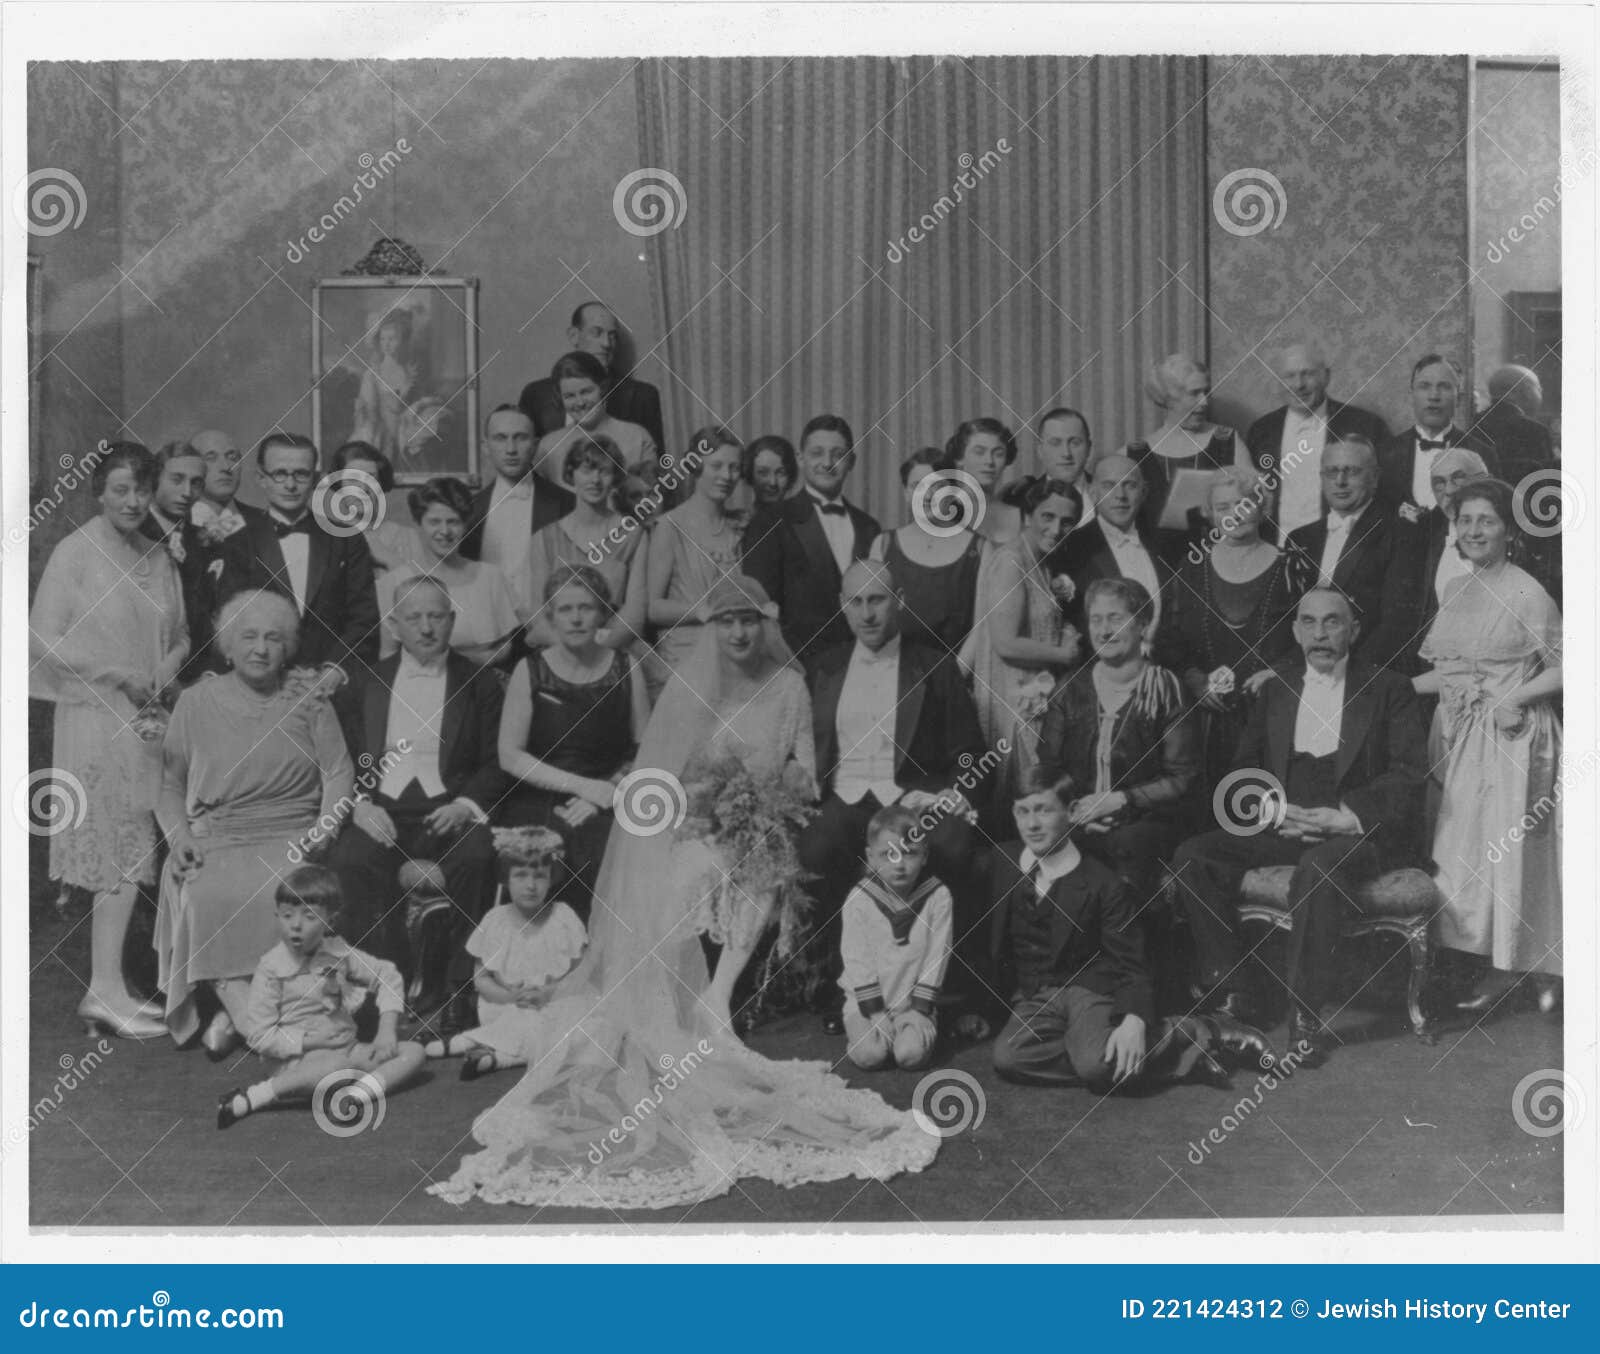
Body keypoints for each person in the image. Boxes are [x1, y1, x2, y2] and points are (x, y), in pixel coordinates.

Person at [432, 573, 940, 1212]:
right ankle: (680, 1001)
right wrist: (710, 808)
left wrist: (779, 792)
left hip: (763, 817)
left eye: (749, 620)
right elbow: (667, 777)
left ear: (764, 625)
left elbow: (807, 766)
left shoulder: (788, 684)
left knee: (767, 861)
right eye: (726, 622)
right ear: (711, 630)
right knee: (693, 867)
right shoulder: (693, 687)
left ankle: (718, 997)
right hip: (697, 819)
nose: (738, 632)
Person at [1172, 586, 1429, 1066]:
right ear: (1295, 631)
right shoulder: (1277, 688)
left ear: (1353, 630)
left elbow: (1409, 774)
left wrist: (1347, 816)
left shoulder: (1389, 688)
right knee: (1195, 856)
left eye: (1332, 622)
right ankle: (1236, 994)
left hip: (1355, 834)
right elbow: (1240, 771)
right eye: (1308, 623)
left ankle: (1306, 1016)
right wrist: (1273, 811)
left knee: (1319, 867)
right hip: (1282, 824)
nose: (1320, 634)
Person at [29, 441, 189, 1038]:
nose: (131, 501)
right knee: (113, 845)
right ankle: (103, 989)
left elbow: (180, 631)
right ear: (99, 491)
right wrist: (116, 673)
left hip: (147, 716)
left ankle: (111, 987)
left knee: (136, 842)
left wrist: (167, 666)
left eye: (141, 490)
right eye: (120, 489)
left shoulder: (157, 555)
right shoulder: (76, 553)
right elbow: (41, 638)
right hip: (96, 714)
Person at [155, 590, 355, 1052]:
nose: (261, 649)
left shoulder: (310, 695)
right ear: (226, 645)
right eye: (247, 637)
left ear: (288, 646)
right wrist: (178, 837)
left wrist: (323, 829)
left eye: (273, 638)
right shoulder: (195, 701)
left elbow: (339, 770)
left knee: (290, 894)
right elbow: (168, 784)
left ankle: (237, 1017)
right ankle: (260, 1028)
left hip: (291, 835)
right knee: (205, 891)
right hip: (216, 837)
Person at [799, 560, 989, 1035]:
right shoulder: (823, 667)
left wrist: (950, 792)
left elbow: (971, 753)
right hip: (840, 797)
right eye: (855, 602)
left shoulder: (934, 665)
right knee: (816, 850)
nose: (867, 613)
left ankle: (937, 992)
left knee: (951, 846)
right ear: (843, 606)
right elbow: (800, 748)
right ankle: (838, 990)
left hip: (908, 799)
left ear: (899, 600)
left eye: (877, 599)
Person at [1413, 478, 1562, 1013]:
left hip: (1511, 737)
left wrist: (1516, 696)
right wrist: (1382, 691)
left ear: (1509, 531)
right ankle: (1464, 962)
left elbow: (1569, 665)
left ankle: (1510, 968)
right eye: (1466, 521)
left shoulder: (1527, 591)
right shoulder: (1456, 589)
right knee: (1458, 854)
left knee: (1502, 854)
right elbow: (1449, 671)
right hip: (1457, 736)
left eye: (1487, 521)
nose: (1474, 530)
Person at [989, 766, 1235, 1090]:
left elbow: (1132, 962)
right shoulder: (1003, 861)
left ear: (1072, 811)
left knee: (1095, 1068)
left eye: (1044, 810)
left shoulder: (1103, 881)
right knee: (1009, 1058)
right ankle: (1118, 1052)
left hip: (1091, 989)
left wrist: (1134, 1019)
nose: (1032, 824)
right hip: (1037, 993)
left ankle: (1193, 1031)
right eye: (1023, 812)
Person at [332, 575, 504, 1019]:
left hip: (448, 809)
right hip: (383, 811)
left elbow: (496, 762)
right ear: (394, 625)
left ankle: (457, 986)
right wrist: (360, 806)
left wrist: (464, 806)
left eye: (436, 616)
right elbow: (343, 760)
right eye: (414, 617)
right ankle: (388, 982)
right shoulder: (364, 682)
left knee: (477, 858)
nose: (426, 627)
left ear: (451, 620)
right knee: (350, 860)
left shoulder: (481, 683)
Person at [217, 865, 425, 1129]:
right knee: (333, 1067)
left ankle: (355, 1096)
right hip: (297, 1061)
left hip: (348, 1050)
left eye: (309, 917)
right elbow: (260, 1035)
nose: (295, 925)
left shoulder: (338, 952)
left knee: (412, 1052)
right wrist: (309, 1041)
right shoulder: (271, 968)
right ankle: (256, 1096)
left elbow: (387, 974)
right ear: (277, 916)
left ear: (330, 921)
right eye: (287, 915)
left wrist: (386, 1030)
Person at [1036, 578, 1197, 916]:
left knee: (1124, 846)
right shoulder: (1070, 689)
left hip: (1146, 822)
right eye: (1096, 619)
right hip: (1078, 817)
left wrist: (1121, 801)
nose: (1104, 630)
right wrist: (1076, 814)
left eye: (1115, 618)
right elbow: (1047, 769)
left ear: (1141, 624)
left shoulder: (1166, 689)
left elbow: (1183, 780)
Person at [498, 564, 648, 919]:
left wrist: (608, 791)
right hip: (540, 797)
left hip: (609, 796)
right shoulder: (529, 669)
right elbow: (509, 755)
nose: (577, 618)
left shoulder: (627, 666)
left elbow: (645, 747)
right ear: (551, 617)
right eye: (565, 609)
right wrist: (583, 787)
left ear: (602, 614)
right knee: (545, 850)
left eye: (586, 608)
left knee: (607, 850)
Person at [216, 431, 379, 694]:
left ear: (315, 479)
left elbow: (364, 618)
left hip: (331, 688)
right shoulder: (238, 543)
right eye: (280, 473)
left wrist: (334, 670)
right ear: (261, 478)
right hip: (261, 688)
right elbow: (231, 623)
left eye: (301, 474)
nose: (290, 485)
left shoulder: (346, 539)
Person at [422, 827, 588, 1079]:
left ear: (551, 877)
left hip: (553, 1002)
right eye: (520, 876)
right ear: (505, 879)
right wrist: (510, 996)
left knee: (575, 1020)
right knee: (529, 1020)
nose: (530, 886)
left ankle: (492, 1055)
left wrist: (549, 992)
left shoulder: (563, 916)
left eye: (540, 876)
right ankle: (476, 1044)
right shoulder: (495, 919)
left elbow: (581, 972)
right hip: (505, 1006)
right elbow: (482, 979)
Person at [1168, 468, 1296, 790]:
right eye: (1223, 507)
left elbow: (1310, 640)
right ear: (1210, 515)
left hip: (1271, 714)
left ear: (1262, 507)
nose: (1234, 514)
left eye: (1244, 503)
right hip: (1202, 720)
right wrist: (1196, 681)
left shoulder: (1292, 564)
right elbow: (1169, 642)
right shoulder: (1191, 566)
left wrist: (1280, 672)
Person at [742, 413, 880, 674]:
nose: (827, 463)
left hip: (861, 669)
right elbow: (759, 609)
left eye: (837, 454)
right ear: (801, 458)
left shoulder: (869, 527)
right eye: (817, 453)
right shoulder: (769, 522)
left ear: (851, 461)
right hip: (795, 670)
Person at [1283, 435, 1426, 673]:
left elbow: (1397, 622)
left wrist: (1348, 673)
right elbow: (1287, 619)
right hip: (1303, 671)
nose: (1340, 481)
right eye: (1332, 472)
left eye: (1352, 472)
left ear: (1375, 478)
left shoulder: (1400, 534)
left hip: (1364, 674)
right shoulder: (1300, 538)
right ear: (1321, 478)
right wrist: (1291, 667)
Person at [964, 476, 1084, 755]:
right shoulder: (1011, 561)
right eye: (1048, 516)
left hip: (1034, 693)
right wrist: (1062, 655)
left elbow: (1040, 620)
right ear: (1028, 516)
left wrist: (1065, 630)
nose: (1056, 529)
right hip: (1011, 697)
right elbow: (1006, 643)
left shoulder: (1041, 562)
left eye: (1067, 522)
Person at [837, 805, 953, 1072]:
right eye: (888, 854)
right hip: (866, 1004)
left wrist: (920, 1010)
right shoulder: (860, 899)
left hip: (912, 1003)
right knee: (870, 1055)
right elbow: (857, 960)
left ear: (925, 855)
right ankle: (862, 1032)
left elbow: (938, 956)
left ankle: (916, 1027)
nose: (899, 864)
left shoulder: (938, 896)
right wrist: (876, 1013)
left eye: (910, 853)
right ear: (870, 857)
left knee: (909, 1056)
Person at [518, 434, 648, 653]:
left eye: (604, 471)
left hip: (614, 648)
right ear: (571, 475)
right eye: (586, 471)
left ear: (615, 477)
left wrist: (597, 650)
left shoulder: (634, 535)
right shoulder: (544, 538)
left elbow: (634, 615)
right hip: (558, 649)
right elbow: (539, 614)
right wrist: (572, 649)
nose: (595, 480)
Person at [1244, 340, 1389, 536]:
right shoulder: (1261, 430)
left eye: (1308, 374)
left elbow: (1385, 491)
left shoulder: (1366, 425)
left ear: (1326, 377)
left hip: (1341, 544)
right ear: (1278, 382)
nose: (1299, 385)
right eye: (1289, 376)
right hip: (1275, 547)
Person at [376, 478, 523, 668]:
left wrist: (467, 663)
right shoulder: (394, 582)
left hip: (483, 685)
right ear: (418, 524)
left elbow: (505, 646)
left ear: (465, 524)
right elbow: (388, 654)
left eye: (453, 522)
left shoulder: (491, 577)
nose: (444, 531)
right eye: (434, 522)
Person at [646, 424, 748, 694]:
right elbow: (654, 608)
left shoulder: (740, 526)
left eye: (734, 468)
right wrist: (705, 610)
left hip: (735, 656)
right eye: (717, 466)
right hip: (685, 661)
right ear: (696, 466)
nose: (726, 476)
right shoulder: (670, 526)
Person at [1048, 453, 1178, 660]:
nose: (1120, 495)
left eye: (1130, 485)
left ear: (1144, 492)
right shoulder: (1070, 548)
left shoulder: (1166, 544)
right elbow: (1069, 624)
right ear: (1093, 493)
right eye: (1109, 485)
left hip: (1162, 673)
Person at [867, 447, 986, 652]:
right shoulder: (883, 544)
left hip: (957, 675)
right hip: (895, 671)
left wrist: (950, 681)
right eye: (916, 486)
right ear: (906, 493)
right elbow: (873, 619)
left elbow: (982, 628)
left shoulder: (981, 548)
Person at [518, 301, 665, 452]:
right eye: (596, 333)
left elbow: (655, 469)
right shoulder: (536, 397)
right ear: (574, 336)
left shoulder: (642, 397)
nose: (607, 344)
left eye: (612, 336)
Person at [1137, 353, 1250, 549]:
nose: (1204, 402)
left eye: (1205, 392)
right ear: (1168, 398)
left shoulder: (1229, 440)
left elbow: (1252, 505)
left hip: (1221, 557)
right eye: (1194, 393)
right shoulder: (1135, 452)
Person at [459, 405, 574, 574]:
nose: (511, 449)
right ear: (485, 447)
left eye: (520, 438)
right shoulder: (467, 510)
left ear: (535, 445)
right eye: (500, 438)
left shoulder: (568, 504)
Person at [142, 440, 219, 683]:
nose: (187, 492)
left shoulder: (203, 540)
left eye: (196, 483)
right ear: (155, 480)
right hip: (142, 673)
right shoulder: (133, 533)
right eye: (176, 480)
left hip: (193, 676)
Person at [1377, 354, 1496, 509]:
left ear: (1458, 398)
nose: (1434, 396)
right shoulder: (1384, 453)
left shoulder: (1482, 453)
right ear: (1411, 395)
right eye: (1424, 386)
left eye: (1444, 387)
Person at [530, 351, 659, 488]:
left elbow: (652, 499)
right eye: (569, 396)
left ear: (603, 388)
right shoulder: (548, 447)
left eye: (586, 392)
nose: (580, 403)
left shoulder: (637, 437)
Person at [1409, 446, 1490, 661]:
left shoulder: (1509, 538)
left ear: (1484, 481)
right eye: (1439, 483)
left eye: (1458, 478)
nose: (1450, 491)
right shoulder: (1427, 541)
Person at [328, 439, 423, 574]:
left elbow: (419, 589)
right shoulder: (326, 537)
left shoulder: (406, 536)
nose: (362, 488)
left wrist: (378, 548)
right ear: (339, 485)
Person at [351, 308, 423, 461]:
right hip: (381, 434)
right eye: (383, 339)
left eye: (392, 339)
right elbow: (369, 414)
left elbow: (413, 404)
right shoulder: (372, 375)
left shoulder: (409, 372)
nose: (387, 344)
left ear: (402, 341)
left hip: (406, 431)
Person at [1472, 364, 1554, 488]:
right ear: (1525, 391)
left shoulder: (1474, 423)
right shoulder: (1536, 431)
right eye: (1538, 389)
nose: (1540, 394)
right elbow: (1548, 486)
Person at [945, 417, 1023, 546]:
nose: (989, 461)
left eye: (998, 454)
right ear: (960, 458)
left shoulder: (1021, 515)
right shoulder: (945, 514)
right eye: (979, 452)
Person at [1034, 407, 1097, 526]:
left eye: (1075, 443)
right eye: (1055, 443)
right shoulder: (1019, 500)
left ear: (1089, 448)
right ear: (1040, 451)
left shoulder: (1110, 494)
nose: (1066, 453)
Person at [189, 428, 249, 544]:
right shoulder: (175, 522)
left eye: (232, 458)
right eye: (211, 458)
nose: (226, 467)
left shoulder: (263, 521)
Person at [742, 433, 798, 510]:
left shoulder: (803, 521)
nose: (773, 483)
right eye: (763, 473)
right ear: (750, 475)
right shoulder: (738, 521)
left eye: (781, 473)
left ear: (791, 477)